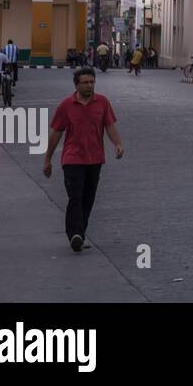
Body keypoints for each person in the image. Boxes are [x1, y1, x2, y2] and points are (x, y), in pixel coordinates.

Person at [43, 68, 124, 253]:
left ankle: (80, 233)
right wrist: (47, 159)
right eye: (85, 82)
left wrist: (117, 143)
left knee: (88, 199)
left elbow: (109, 125)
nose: (89, 85)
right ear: (76, 85)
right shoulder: (66, 105)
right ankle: (75, 234)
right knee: (75, 197)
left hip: (95, 158)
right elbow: (55, 133)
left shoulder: (102, 102)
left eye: (92, 82)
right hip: (72, 158)